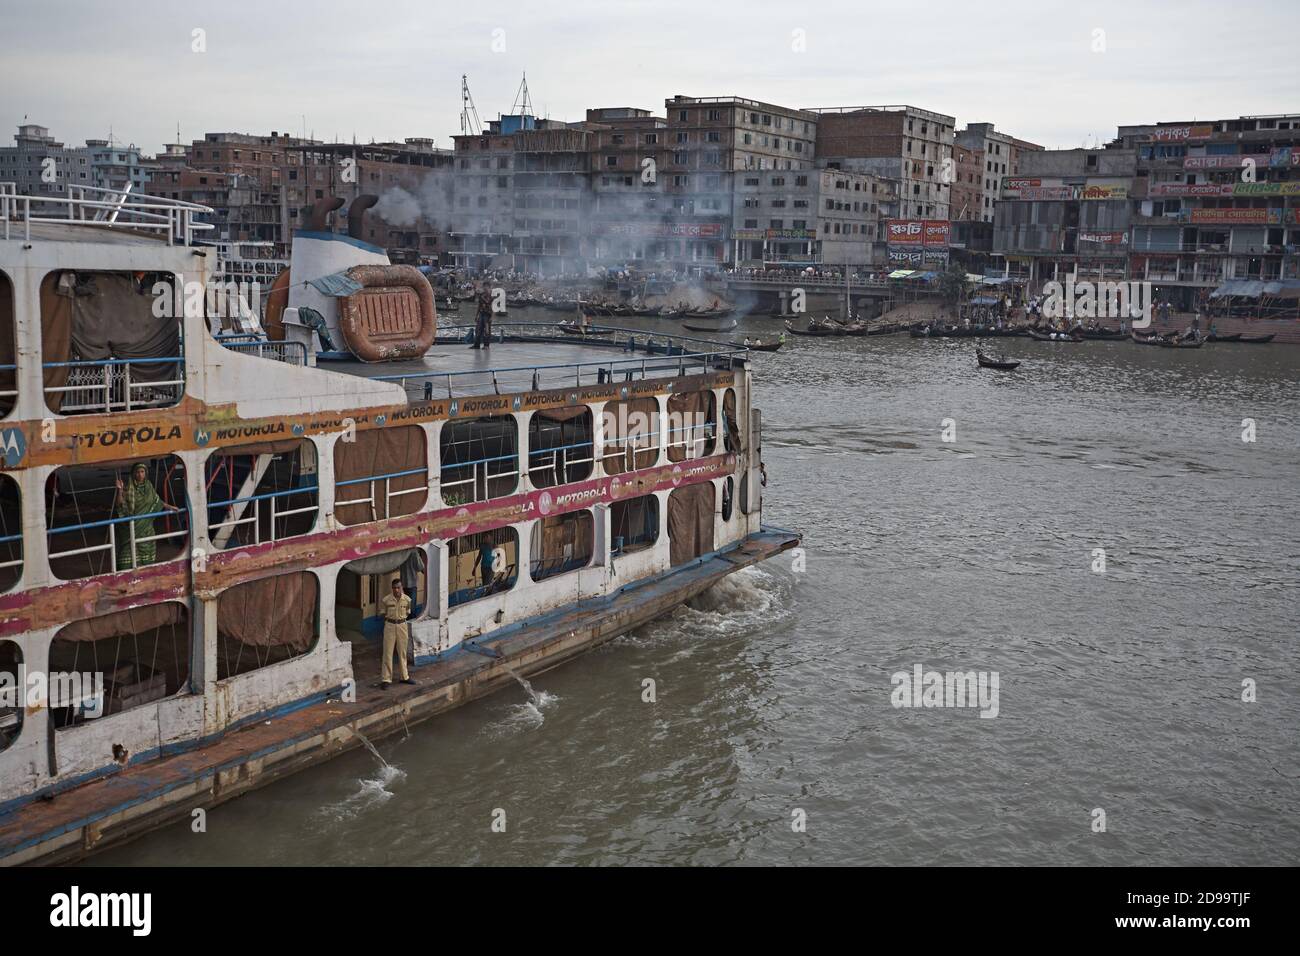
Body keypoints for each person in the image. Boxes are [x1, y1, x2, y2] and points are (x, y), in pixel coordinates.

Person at [114, 463, 181, 570]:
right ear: (133, 474)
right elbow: (120, 505)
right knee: (126, 554)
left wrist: (170, 507)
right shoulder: (129, 488)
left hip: (147, 528)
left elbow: (157, 501)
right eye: (137, 472)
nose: (140, 475)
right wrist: (120, 490)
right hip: (131, 527)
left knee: (147, 553)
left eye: (142, 472)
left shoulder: (149, 486)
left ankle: (145, 573)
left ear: (145, 473)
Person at [377, 578, 414, 689]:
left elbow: (408, 612)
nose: (396, 590)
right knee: (387, 653)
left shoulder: (407, 600)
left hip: (402, 626)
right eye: (394, 588)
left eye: (398, 587)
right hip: (390, 626)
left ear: (401, 588)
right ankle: (386, 679)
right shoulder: (386, 600)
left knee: (402, 652)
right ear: (392, 589)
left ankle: (404, 677)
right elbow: (383, 613)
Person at [471, 282, 493, 349]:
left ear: (489, 287)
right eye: (484, 287)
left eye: (487, 287)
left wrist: (492, 317)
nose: (485, 288)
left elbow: (493, 307)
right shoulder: (481, 296)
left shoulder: (491, 296)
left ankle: (486, 345)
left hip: (488, 315)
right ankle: (476, 345)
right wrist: (476, 315)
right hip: (481, 314)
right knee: (478, 329)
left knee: (487, 331)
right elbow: (479, 306)